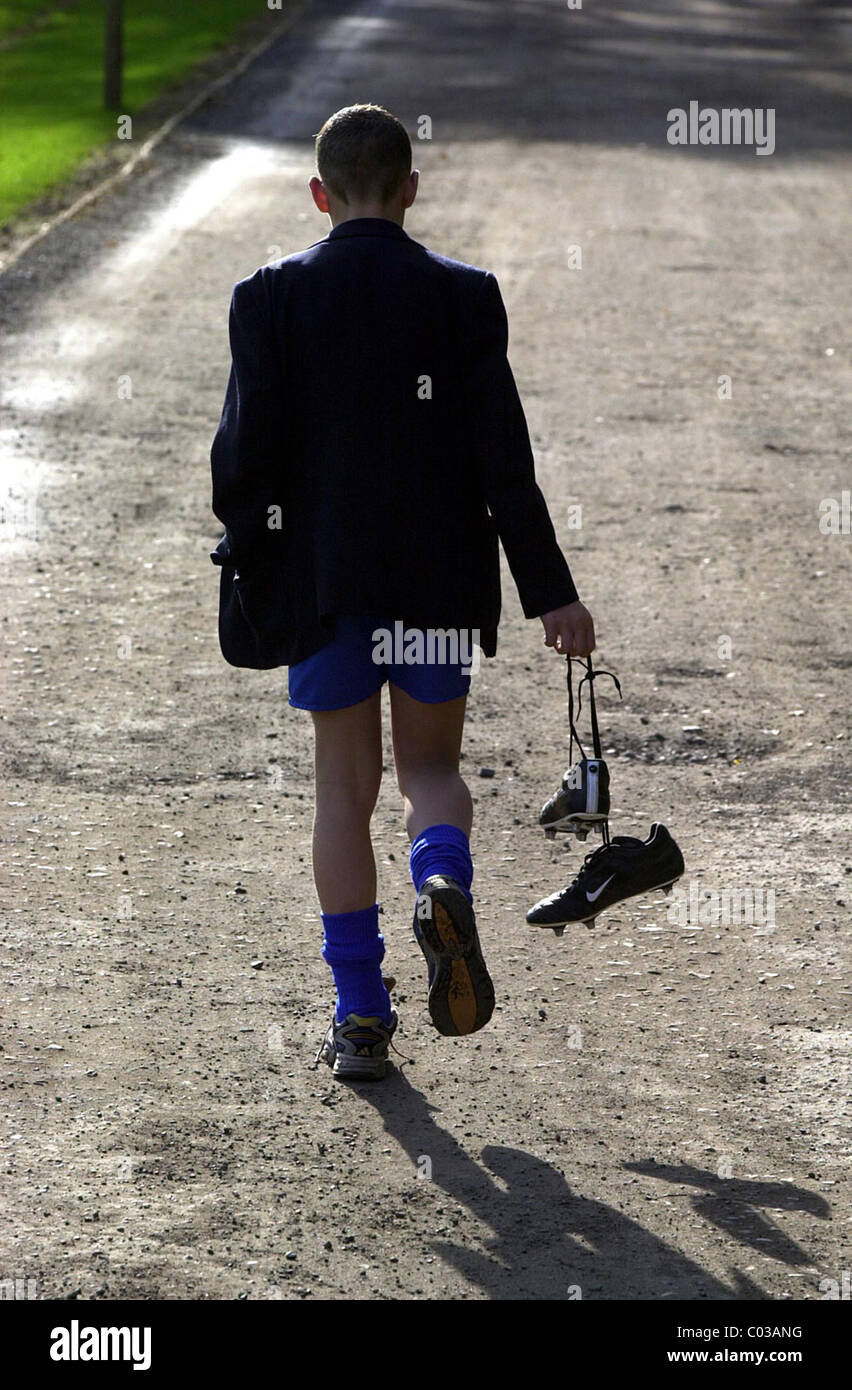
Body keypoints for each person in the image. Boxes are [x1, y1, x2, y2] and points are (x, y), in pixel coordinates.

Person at [210, 104, 595, 1081]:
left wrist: (258, 559)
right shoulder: (464, 298)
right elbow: (505, 466)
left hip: (326, 587)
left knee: (342, 791)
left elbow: (238, 472)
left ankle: (360, 1014)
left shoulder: (269, 299)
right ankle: (440, 879)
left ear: (320, 193)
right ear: (411, 189)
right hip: (434, 589)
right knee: (431, 772)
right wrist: (553, 595)